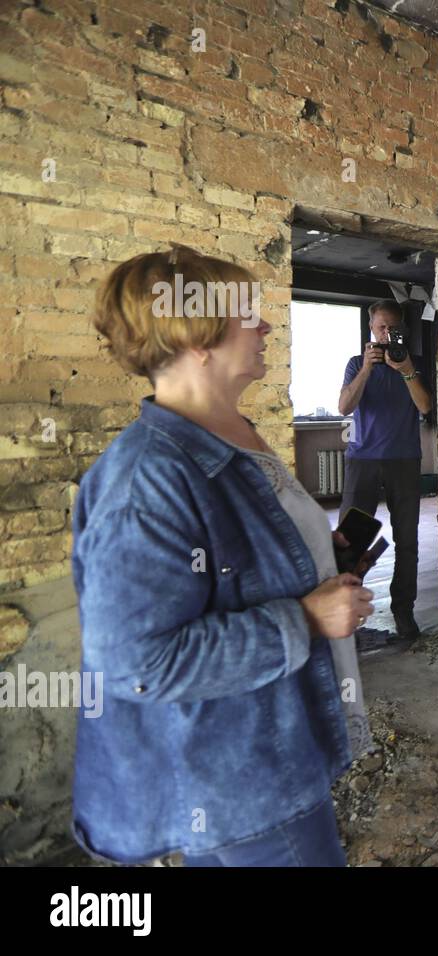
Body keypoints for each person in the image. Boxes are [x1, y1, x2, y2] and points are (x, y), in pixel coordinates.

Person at [72, 245, 376, 867]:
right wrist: (308, 620)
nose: (265, 327)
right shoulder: (145, 479)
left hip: (269, 752)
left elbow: (247, 557)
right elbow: (140, 662)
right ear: (199, 335)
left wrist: (322, 558)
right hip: (241, 785)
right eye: (249, 314)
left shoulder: (228, 431)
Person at [338, 299, 432, 641]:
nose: (387, 333)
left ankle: (403, 611)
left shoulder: (414, 363)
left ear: (403, 330)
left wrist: (405, 369)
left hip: (405, 460)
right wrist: (366, 368)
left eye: (394, 328)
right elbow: (344, 407)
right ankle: (347, 612)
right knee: (352, 540)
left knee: (407, 539)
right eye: (381, 327)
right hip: (363, 458)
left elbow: (425, 406)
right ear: (371, 329)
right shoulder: (355, 363)